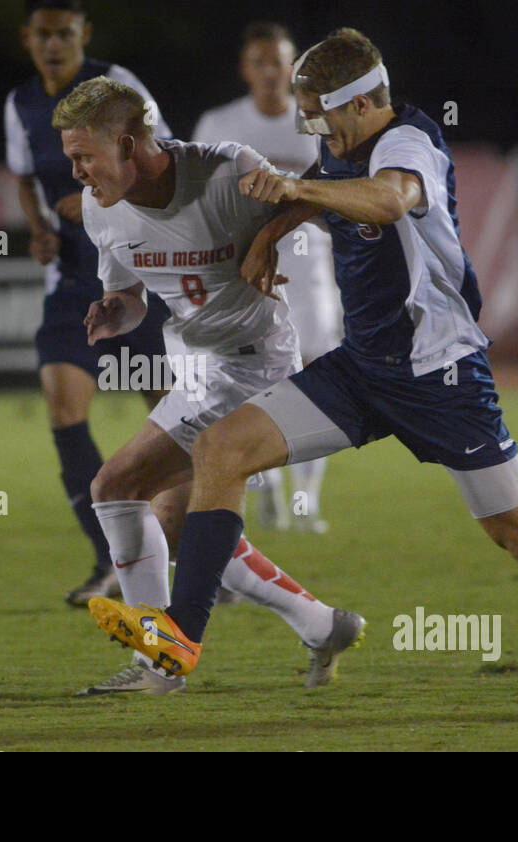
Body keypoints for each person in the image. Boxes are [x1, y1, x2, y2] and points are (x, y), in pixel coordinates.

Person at [89, 28, 518, 697]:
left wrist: (293, 193)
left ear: (362, 103)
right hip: (363, 369)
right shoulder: (338, 143)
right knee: (220, 446)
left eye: (320, 113)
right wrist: (270, 232)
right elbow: (324, 179)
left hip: (441, 378)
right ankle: (181, 635)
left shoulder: (410, 143)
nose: (313, 129)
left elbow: (386, 198)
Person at [53, 75, 365, 694]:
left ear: (128, 143)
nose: (78, 173)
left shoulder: (225, 172)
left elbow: (317, 195)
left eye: (84, 156)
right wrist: (118, 310)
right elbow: (131, 292)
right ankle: (322, 624)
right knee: (172, 521)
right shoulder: (101, 208)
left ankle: (157, 663)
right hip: (195, 368)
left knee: (117, 486)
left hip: (255, 362)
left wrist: (271, 235)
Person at [5, 0, 173, 605]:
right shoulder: (20, 104)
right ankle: (109, 560)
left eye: (64, 34)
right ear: (28, 38)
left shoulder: (118, 86)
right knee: (62, 403)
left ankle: (206, 550)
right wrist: (37, 229)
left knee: (173, 420)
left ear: (84, 35)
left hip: (142, 275)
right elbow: (25, 177)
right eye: (43, 35)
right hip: (74, 283)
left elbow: (167, 157)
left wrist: (106, 202)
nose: (54, 44)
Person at [192, 21, 341, 534]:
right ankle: (269, 489)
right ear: (245, 69)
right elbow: (198, 200)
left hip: (309, 263)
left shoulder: (317, 123)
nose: (271, 73)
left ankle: (308, 500)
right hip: (242, 269)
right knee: (251, 378)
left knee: (318, 373)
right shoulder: (218, 124)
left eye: (279, 61)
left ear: (293, 65)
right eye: (260, 62)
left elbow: (341, 192)